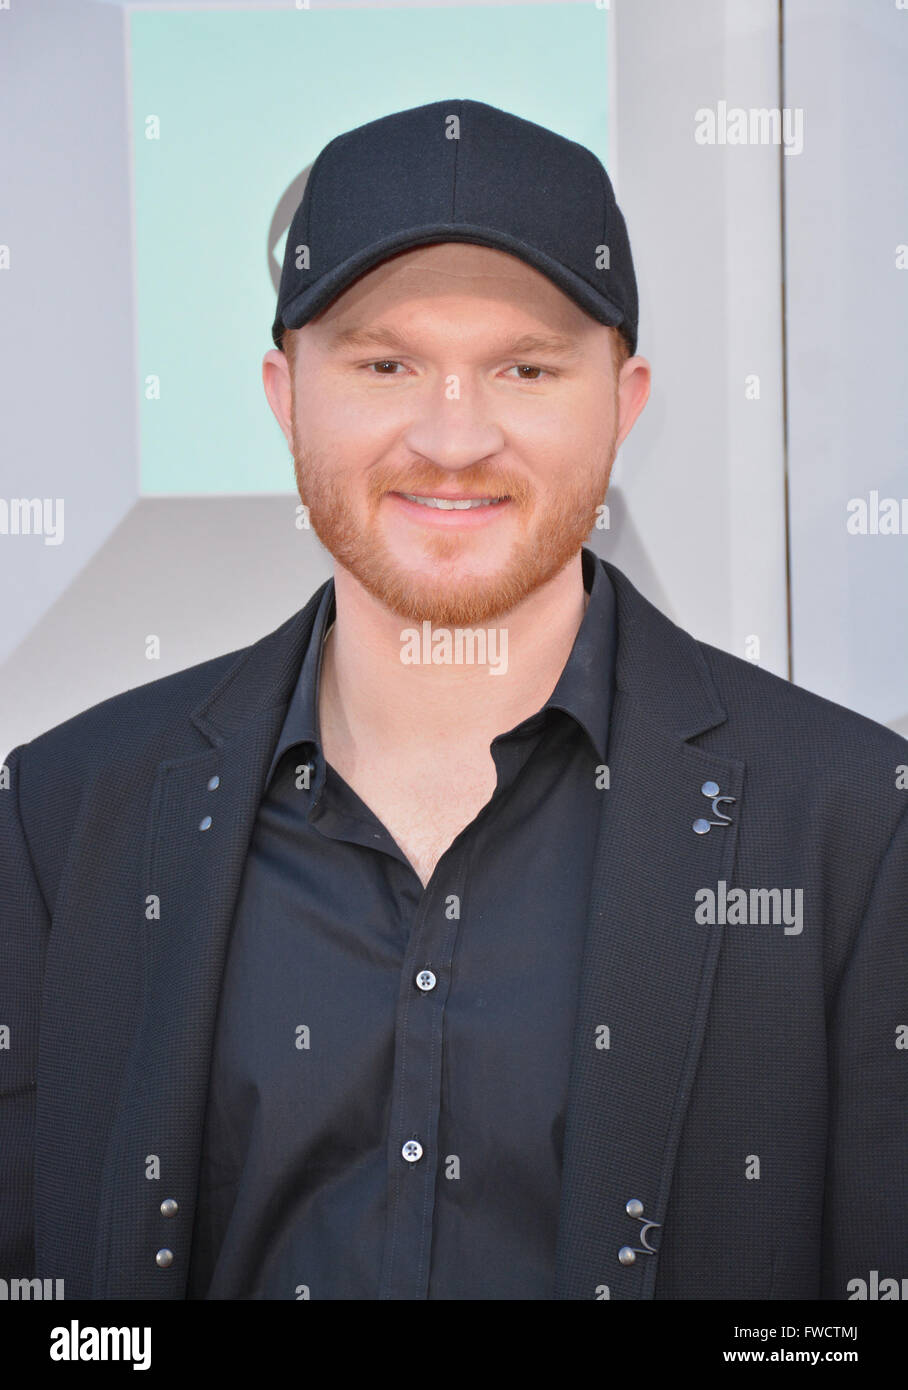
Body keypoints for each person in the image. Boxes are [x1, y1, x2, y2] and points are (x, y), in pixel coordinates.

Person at [1, 99, 905, 1302]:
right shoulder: (62, 819)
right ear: (284, 394)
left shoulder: (848, 825)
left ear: (623, 402)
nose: (451, 435)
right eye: (386, 364)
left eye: (522, 368)